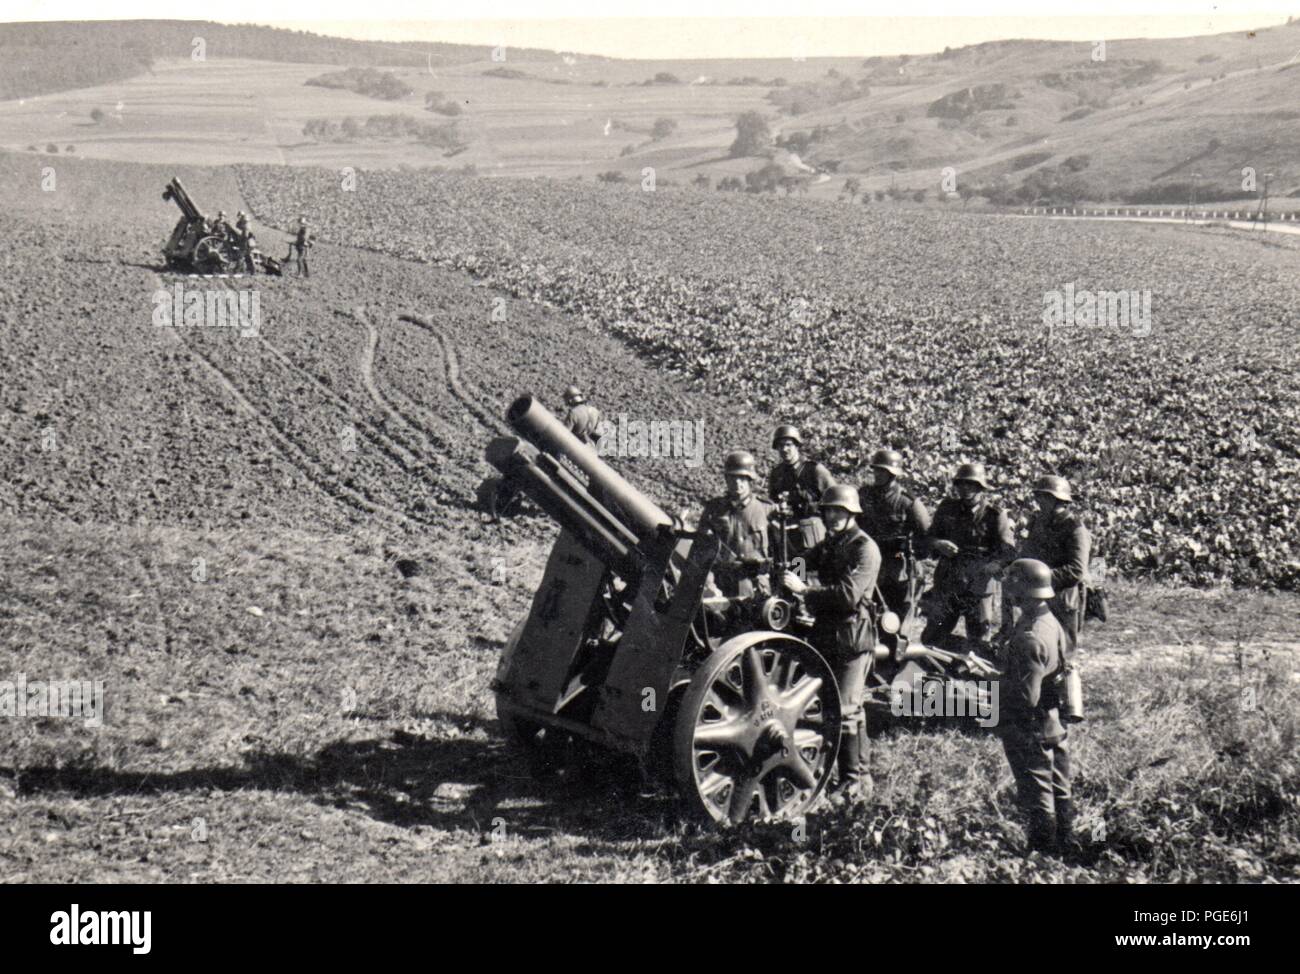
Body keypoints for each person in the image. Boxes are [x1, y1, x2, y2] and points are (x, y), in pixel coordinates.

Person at [782, 485, 881, 803]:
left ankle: (853, 782)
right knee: (840, 707)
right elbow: (801, 561)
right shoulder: (829, 545)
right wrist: (788, 568)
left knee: (847, 708)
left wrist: (804, 590)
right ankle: (850, 773)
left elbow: (848, 595)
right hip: (827, 634)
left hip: (852, 637)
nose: (833, 516)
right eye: (828, 511)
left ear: (852, 514)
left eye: (839, 511)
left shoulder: (865, 548)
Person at [998, 558, 1073, 854]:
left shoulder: (1030, 636)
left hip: (1032, 726)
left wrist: (992, 686)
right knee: (1058, 785)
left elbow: (1026, 697)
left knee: (1037, 792)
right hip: (1053, 720)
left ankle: (1042, 854)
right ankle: (1066, 844)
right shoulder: (1049, 620)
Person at [921, 462, 1016, 651]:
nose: (965, 489)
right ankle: (933, 678)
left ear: (981, 487)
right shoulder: (947, 508)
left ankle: (977, 680)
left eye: (971, 484)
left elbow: (1009, 552)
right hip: (948, 585)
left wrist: (993, 565)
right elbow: (928, 538)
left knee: (979, 643)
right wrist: (938, 544)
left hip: (978, 588)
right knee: (933, 637)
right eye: (961, 484)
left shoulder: (994, 515)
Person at [857, 448, 931, 645]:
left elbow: (926, 534)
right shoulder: (863, 496)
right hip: (867, 562)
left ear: (893, 474)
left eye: (884, 471)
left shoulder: (907, 502)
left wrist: (913, 553)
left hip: (896, 567)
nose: (878, 475)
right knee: (866, 611)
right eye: (876, 470)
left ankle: (896, 653)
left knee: (897, 617)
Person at [1021, 475, 1091, 652]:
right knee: (1036, 646)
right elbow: (1028, 553)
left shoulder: (1075, 528)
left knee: (1063, 649)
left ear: (1057, 500)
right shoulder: (1038, 522)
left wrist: (1039, 577)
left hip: (1063, 596)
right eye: (1039, 497)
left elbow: (1076, 571)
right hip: (1035, 594)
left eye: (1044, 497)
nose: (1039, 501)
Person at [699, 450, 773, 600]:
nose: (737, 483)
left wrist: (796, 587)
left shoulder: (767, 510)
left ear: (750, 480)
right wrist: (708, 584)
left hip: (756, 587)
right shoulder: (714, 510)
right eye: (733, 478)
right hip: (721, 585)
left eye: (742, 478)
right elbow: (700, 551)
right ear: (726, 479)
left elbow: (788, 554)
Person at [767, 425, 834, 556]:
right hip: (786, 537)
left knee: (808, 573)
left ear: (797, 446)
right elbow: (772, 501)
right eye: (780, 446)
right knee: (789, 573)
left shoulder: (814, 470)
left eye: (788, 445)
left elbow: (835, 499)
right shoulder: (777, 474)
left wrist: (811, 507)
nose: (784, 449)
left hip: (810, 536)